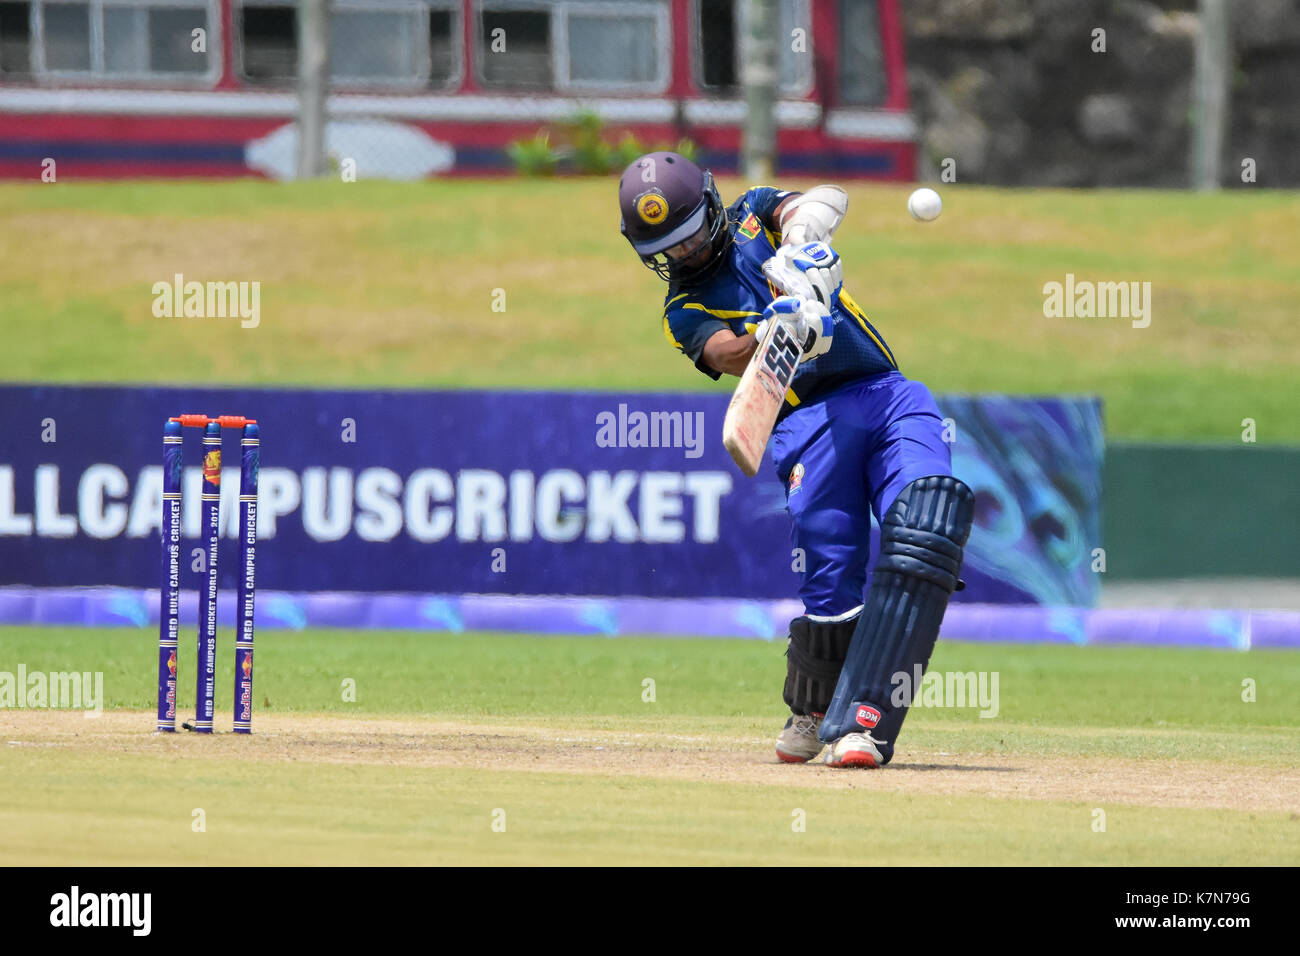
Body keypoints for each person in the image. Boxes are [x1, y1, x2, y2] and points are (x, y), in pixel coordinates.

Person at [617, 151, 975, 768]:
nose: (688, 253)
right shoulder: (684, 308)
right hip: (805, 424)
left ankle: (867, 719)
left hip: (885, 394)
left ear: (711, 203)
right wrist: (773, 327)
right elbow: (726, 354)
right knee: (831, 572)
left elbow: (827, 195)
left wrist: (805, 247)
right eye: (669, 249)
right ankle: (814, 710)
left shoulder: (755, 213)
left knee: (924, 524)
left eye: (694, 232)